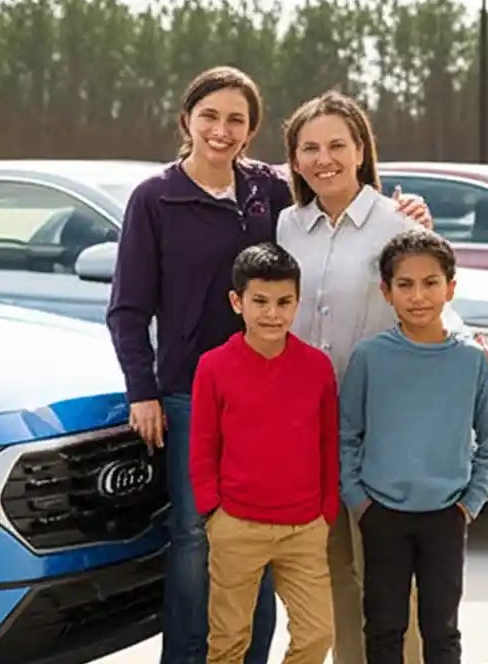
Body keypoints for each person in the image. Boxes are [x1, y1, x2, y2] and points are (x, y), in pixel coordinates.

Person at [107, 68, 430, 664]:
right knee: (197, 539)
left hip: (283, 397)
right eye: (210, 116)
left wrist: (406, 213)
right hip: (189, 390)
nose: (221, 130)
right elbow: (127, 308)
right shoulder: (155, 197)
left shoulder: (268, 196)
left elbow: (349, 221)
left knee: (258, 538)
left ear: (252, 132)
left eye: (236, 120)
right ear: (187, 121)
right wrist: (142, 390)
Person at [275, 90, 488, 664]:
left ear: (361, 151)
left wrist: (472, 338)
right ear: (295, 160)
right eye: (310, 148)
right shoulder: (287, 225)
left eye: (337, 145)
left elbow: (430, 295)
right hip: (303, 424)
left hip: (378, 429)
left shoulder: (395, 218)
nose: (325, 159)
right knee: (329, 575)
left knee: (395, 585)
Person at [339, 229, 488, 664]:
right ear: (386, 291)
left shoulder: (470, 360)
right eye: (405, 285)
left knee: (441, 631)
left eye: (430, 283)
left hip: (446, 516)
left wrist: (470, 502)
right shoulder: (370, 357)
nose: (418, 296)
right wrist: (359, 501)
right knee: (383, 628)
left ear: (451, 287)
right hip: (381, 515)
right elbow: (347, 435)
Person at [189, 242, 337, 664]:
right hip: (236, 524)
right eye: (260, 302)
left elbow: (327, 441)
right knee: (229, 641)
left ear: (298, 304)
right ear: (237, 302)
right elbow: (202, 443)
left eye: (283, 302)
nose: (272, 313)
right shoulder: (214, 367)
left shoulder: (316, 368)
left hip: (304, 527)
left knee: (317, 633)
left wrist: (326, 510)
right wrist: (212, 509)